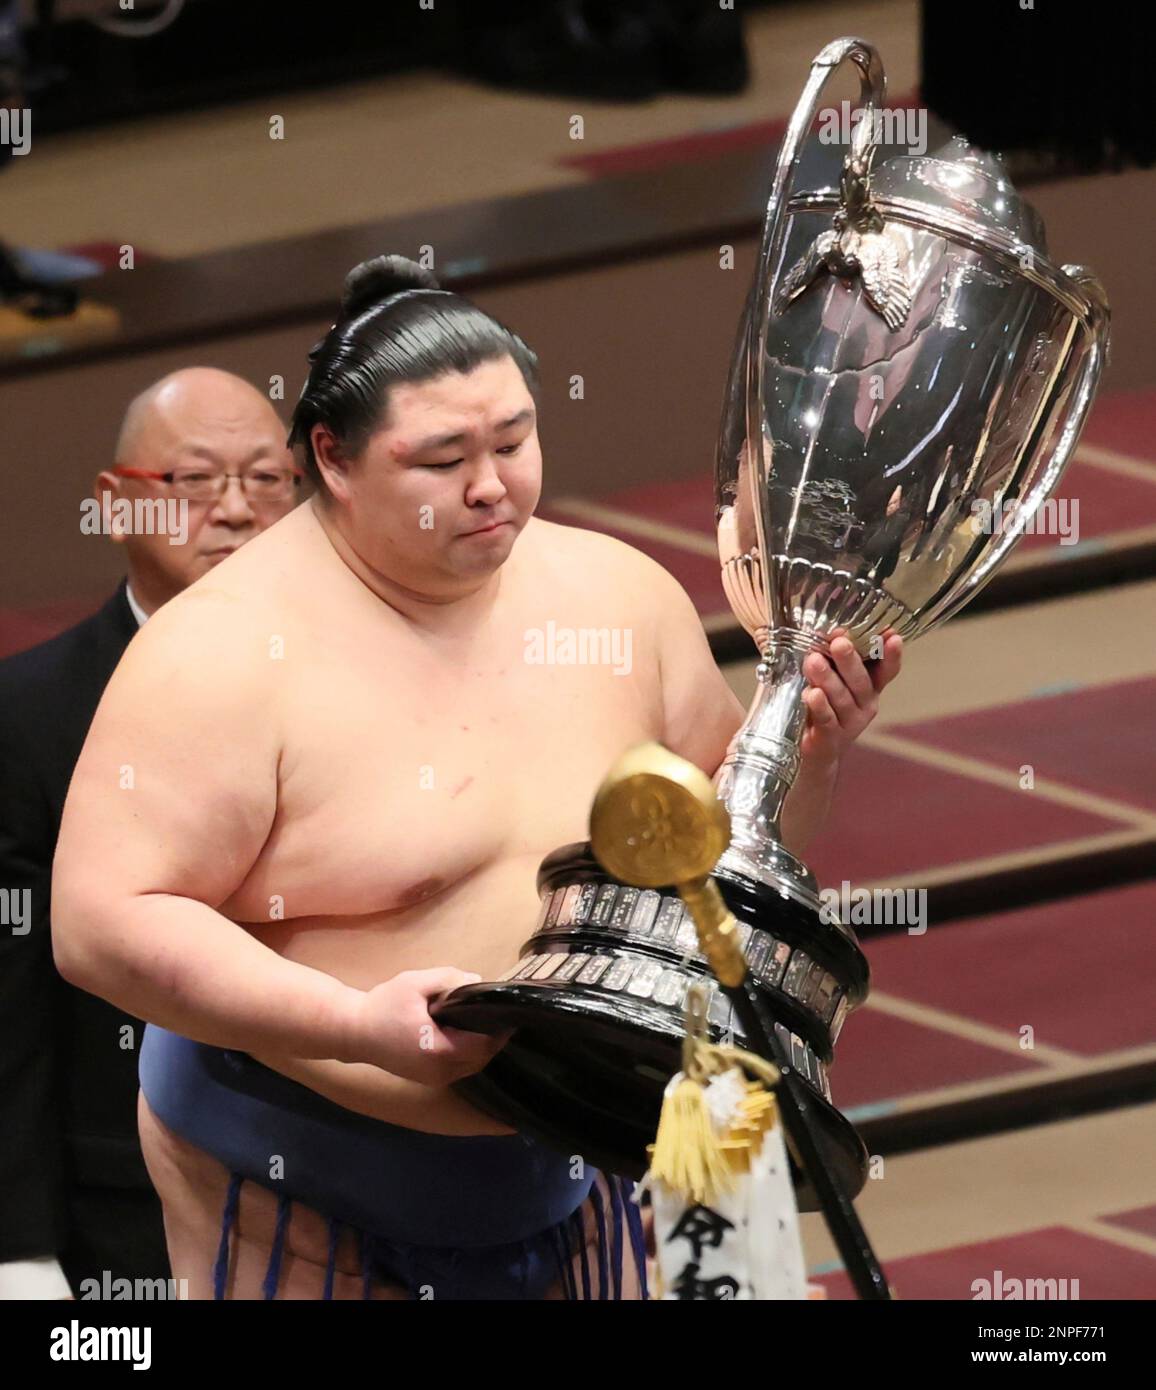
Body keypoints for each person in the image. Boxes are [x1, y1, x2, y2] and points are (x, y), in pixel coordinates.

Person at [51, 256, 903, 1300]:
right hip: (299, 1171)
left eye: (513, 439)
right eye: (443, 458)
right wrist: (352, 1024)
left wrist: (808, 750)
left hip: (582, 1143)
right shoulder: (221, 656)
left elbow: (720, 859)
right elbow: (100, 921)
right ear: (333, 456)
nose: (492, 484)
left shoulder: (615, 596)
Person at [0, 368, 300, 1299]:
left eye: (266, 479)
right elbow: (8, 1013)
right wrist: (19, 1251)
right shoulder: (26, 712)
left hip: (346, 1184)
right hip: (123, 1211)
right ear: (115, 502)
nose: (236, 510)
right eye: (196, 481)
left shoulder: (369, 676)